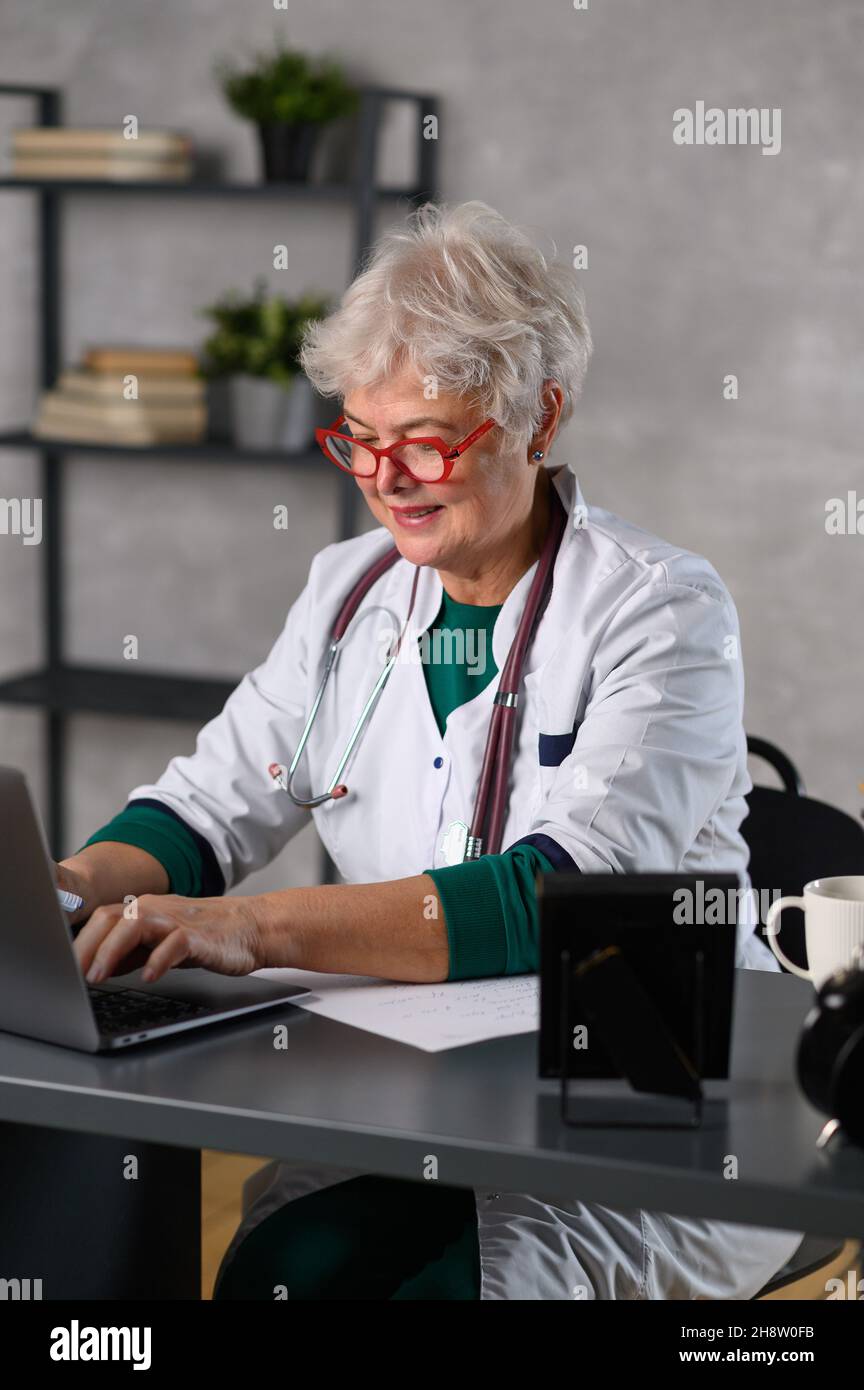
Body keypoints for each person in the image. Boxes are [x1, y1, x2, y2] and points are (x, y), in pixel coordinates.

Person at [59, 201, 803, 1300]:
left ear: (540, 419)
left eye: (426, 442)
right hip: (414, 1087)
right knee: (279, 1272)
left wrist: (252, 925)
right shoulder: (348, 591)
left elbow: (559, 891)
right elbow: (207, 810)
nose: (386, 478)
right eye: (359, 439)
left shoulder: (663, 610)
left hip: (639, 1103)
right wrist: (58, 894)